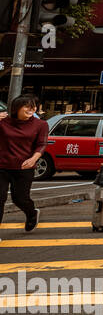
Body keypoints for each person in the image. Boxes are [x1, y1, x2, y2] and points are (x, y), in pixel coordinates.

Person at [0, 94, 48, 232]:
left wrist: (34, 159)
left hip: (24, 167)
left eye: (33, 106)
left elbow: (42, 144)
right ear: (16, 108)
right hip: (2, 166)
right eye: (27, 106)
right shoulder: (3, 121)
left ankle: (32, 213)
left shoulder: (41, 124)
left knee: (20, 199)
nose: (31, 109)